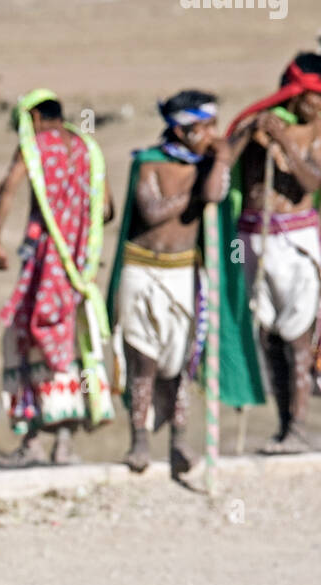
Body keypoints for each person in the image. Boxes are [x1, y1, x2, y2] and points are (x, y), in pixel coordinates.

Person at [108, 91, 240, 476]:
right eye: (204, 127)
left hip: (183, 272)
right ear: (183, 129)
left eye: (214, 127)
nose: (211, 135)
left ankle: (180, 440)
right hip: (142, 271)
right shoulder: (150, 163)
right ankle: (140, 443)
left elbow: (215, 194)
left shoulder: (208, 167)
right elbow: (151, 212)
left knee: (180, 363)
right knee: (143, 361)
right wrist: (195, 187)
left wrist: (221, 161)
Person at [0, 89, 115, 467]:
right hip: (80, 269)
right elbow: (107, 208)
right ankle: (65, 443)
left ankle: (31, 443)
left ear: (36, 119)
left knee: (23, 338)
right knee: (72, 346)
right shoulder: (88, 150)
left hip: (45, 264)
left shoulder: (34, 148)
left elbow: (8, 188)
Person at [226, 53, 321, 454]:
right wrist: (248, 135)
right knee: (268, 335)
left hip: (295, 241)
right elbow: (224, 169)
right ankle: (282, 425)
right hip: (254, 238)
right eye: (314, 98)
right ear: (294, 94)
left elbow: (310, 179)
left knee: (298, 337)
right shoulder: (256, 123)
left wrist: (287, 143)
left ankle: (301, 427)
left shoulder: (320, 127)